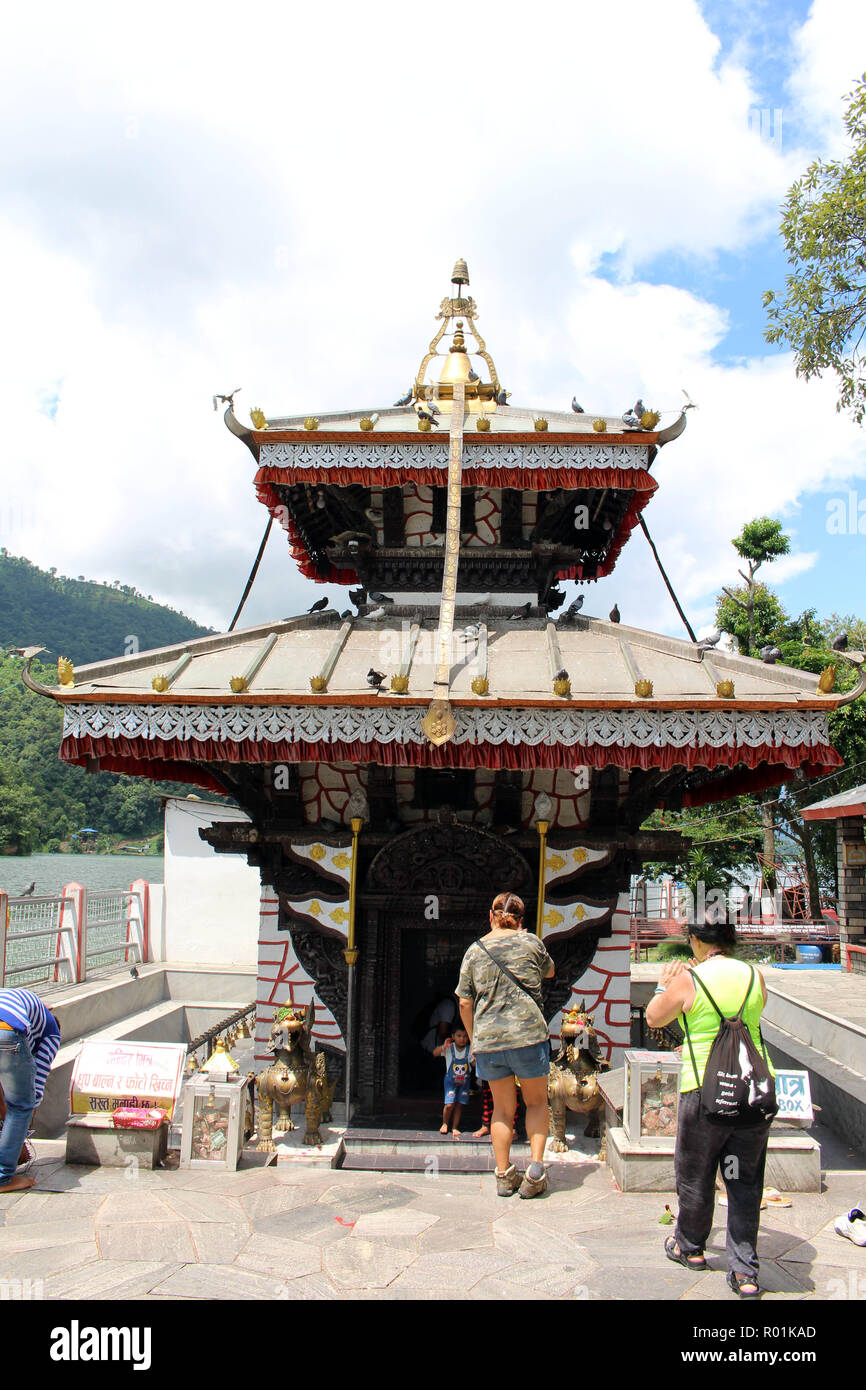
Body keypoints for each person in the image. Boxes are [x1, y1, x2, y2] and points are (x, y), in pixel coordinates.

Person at [645, 917, 774, 1298]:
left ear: (698, 942)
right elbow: (753, 1016)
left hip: (704, 1091)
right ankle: (745, 1272)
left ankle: (690, 1247)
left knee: (696, 1174)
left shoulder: (692, 978)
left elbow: (654, 1017)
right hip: (751, 1092)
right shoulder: (754, 975)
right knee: (745, 1181)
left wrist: (662, 985)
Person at [456, 892, 555, 1198]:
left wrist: (474, 1040)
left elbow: (464, 1001)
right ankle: (535, 1172)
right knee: (537, 1103)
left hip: (490, 1042)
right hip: (529, 1037)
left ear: (491, 915)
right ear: (521, 920)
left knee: (502, 1109)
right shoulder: (532, 943)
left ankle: (503, 1174)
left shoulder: (475, 951)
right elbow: (550, 971)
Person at [0, 987, 62, 1194]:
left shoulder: (24, 1000)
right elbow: (36, 1087)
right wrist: (21, 1135)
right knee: (21, 1106)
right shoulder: (52, 1033)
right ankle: (2, 1177)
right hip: (7, 1030)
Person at [433, 1025, 472, 1137]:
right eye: (459, 1036)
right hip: (450, 1082)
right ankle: (445, 1123)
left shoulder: (470, 1050)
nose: (462, 1039)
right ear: (453, 1036)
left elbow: (473, 1064)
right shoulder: (450, 1048)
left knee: (460, 1104)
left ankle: (455, 1126)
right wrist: (443, 1047)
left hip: (464, 1082)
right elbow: (435, 1053)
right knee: (449, 1104)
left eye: (465, 1036)